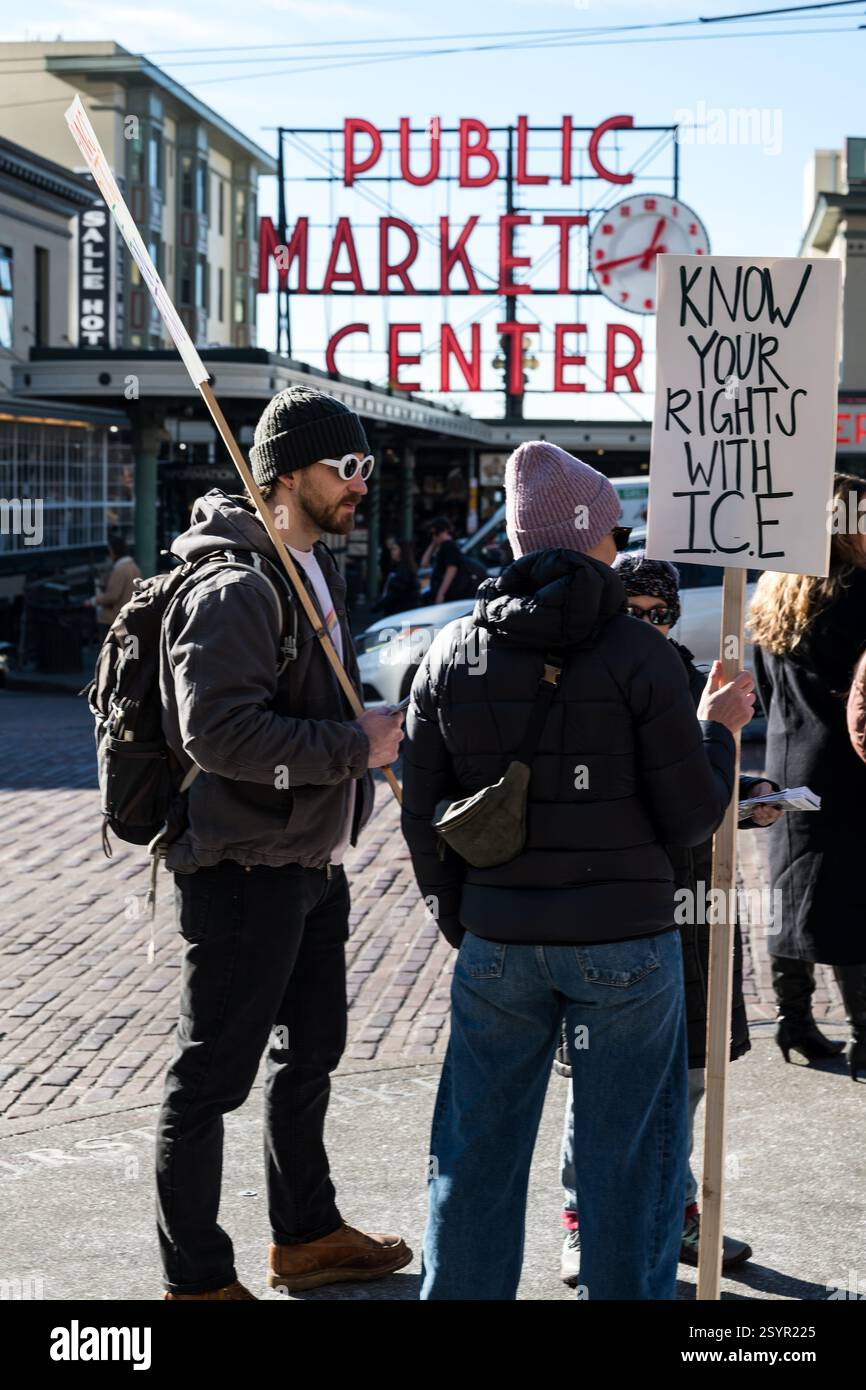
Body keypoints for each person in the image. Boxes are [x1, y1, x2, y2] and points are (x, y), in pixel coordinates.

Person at [400, 440, 755, 1300]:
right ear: (591, 535)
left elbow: (421, 815)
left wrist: (469, 918)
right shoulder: (640, 656)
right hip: (625, 942)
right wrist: (717, 732)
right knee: (627, 1162)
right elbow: (691, 814)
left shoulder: (452, 652)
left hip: (499, 943)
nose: (622, 538)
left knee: (474, 1156)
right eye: (615, 527)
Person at [156, 385, 409, 1299]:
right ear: (286, 473)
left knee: (309, 1058)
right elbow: (216, 735)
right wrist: (356, 745)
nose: (360, 486)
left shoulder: (314, 571)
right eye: (345, 469)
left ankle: (304, 1236)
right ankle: (197, 1281)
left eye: (366, 468)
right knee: (210, 1081)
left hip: (309, 863)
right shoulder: (236, 585)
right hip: (240, 871)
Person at [555, 552, 783, 1287]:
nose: (651, 626)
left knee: (689, 1071)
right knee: (603, 1076)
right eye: (636, 613)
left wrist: (747, 795)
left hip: (694, 904)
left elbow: (700, 780)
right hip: (623, 900)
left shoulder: (690, 678)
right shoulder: (591, 681)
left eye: (662, 613)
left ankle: (675, 1207)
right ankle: (583, 1222)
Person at [750, 471, 866, 1081]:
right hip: (849, 767)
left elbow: (767, 690)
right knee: (853, 900)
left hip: (785, 764)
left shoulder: (772, 592)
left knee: (792, 893)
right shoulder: (862, 595)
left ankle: (794, 1022)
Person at [421, 516, 479, 604]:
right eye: (432, 534)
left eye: (436, 533)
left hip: (450, 595)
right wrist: (433, 544)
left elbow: (451, 569)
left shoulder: (449, 546)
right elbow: (424, 563)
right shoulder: (443, 547)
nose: (434, 536)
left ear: (444, 531)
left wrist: (441, 593)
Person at [86, 534, 141, 627]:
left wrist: (93, 601)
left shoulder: (120, 569)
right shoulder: (134, 567)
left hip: (115, 619)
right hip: (130, 616)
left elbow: (112, 596)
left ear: (113, 551)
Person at [372, 538, 421, 616]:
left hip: (400, 612)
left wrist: (378, 606)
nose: (392, 552)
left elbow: (395, 593)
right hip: (398, 611)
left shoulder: (404, 570)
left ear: (402, 551)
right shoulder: (398, 567)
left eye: (395, 549)